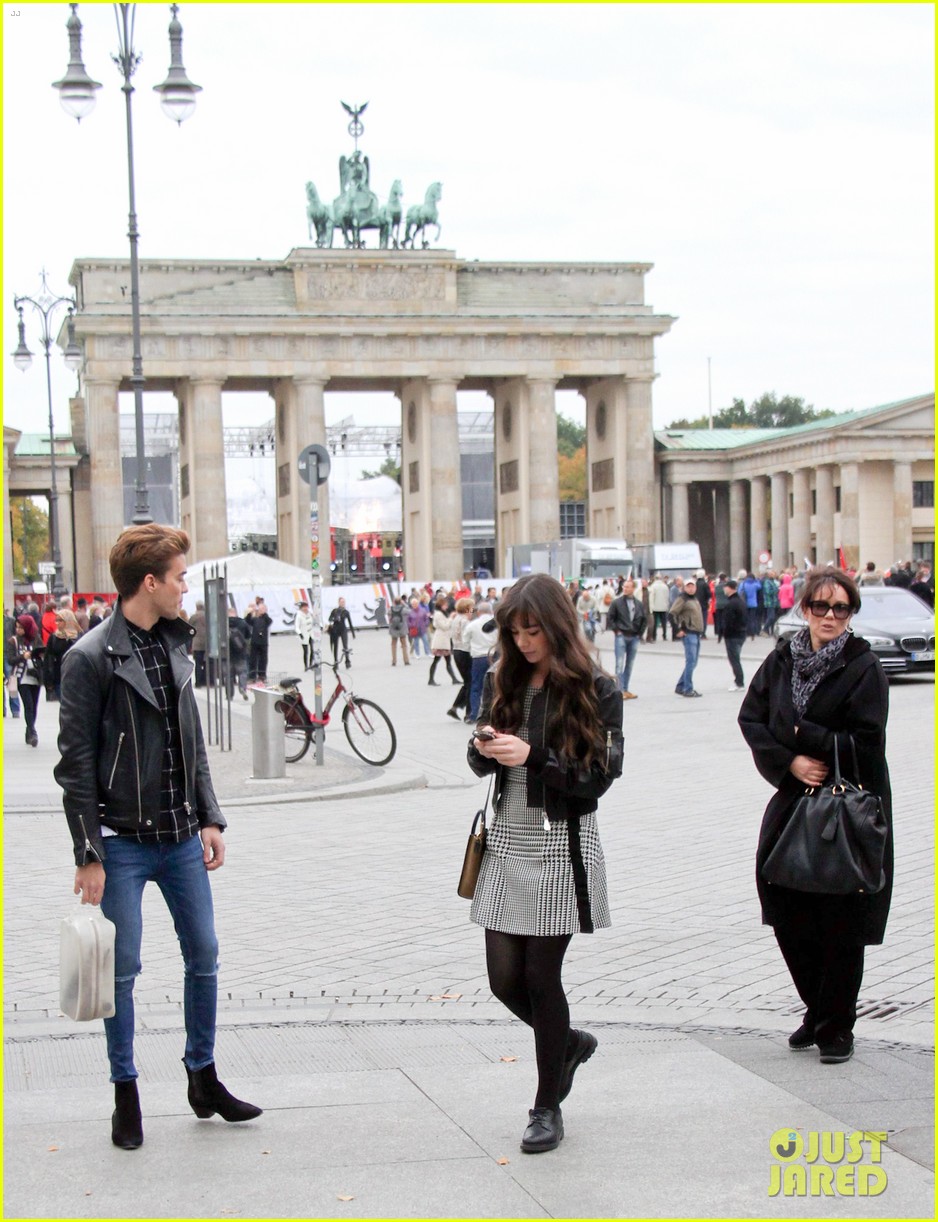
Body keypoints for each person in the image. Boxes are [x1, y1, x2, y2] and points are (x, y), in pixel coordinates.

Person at [54, 524, 262, 1150]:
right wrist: (89, 853)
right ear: (150, 582)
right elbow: (76, 768)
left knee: (204, 953)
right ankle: (126, 1093)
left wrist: (211, 817)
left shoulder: (175, 644)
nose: (184, 587)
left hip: (179, 840)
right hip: (119, 842)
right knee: (123, 970)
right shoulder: (89, 658)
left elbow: (188, 743)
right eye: (178, 577)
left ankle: (203, 1076)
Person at [467, 573, 623, 1154]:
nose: (524, 642)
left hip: (563, 843)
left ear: (555, 625)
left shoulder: (595, 686)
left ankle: (545, 1105)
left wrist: (533, 757)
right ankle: (568, 1045)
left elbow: (598, 779)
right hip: (508, 837)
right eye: (515, 631)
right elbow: (480, 763)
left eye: (532, 630)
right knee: (502, 979)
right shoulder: (500, 677)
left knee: (540, 975)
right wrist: (485, 745)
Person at [738, 567, 892, 1065]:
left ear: (851, 614)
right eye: (820, 606)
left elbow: (868, 744)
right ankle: (817, 1006)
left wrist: (808, 737)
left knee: (842, 916)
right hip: (794, 795)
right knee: (783, 901)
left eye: (840, 608)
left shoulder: (864, 667)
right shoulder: (783, 657)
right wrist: (789, 763)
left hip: (847, 804)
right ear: (804, 609)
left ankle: (837, 1026)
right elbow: (752, 717)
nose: (829, 616)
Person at [605, 578, 646, 699]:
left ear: (633, 588)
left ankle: (626, 688)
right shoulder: (617, 603)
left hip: (634, 636)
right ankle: (619, 690)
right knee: (619, 663)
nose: (625, 589)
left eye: (628, 587)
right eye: (624, 587)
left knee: (630, 664)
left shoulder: (638, 604)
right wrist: (616, 631)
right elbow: (610, 617)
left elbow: (644, 619)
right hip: (621, 635)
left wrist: (639, 634)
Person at [11, 614, 43, 745]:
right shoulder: (14, 641)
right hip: (22, 677)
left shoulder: (36, 639)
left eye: (21, 627)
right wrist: (22, 657)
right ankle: (32, 732)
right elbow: (10, 659)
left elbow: (42, 655)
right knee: (28, 705)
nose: (18, 630)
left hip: (35, 677)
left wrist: (39, 655)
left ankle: (29, 731)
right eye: (17, 627)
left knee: (34, 706)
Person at [670, 575, 704, 697]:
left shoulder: (694, 599)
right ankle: (688, 688)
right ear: (684, 588)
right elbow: (672, 613)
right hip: (688, 633)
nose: (690, 589)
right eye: (688, 586)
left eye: (692, 586)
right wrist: (677, 629)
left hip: (696, 633)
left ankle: (681, 685)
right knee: (691, 661)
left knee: (693, 662)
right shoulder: (682, 599)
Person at [463, 601, 497, 721]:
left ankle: (474, 714)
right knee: (494, 685)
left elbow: (465, 641)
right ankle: (493, 713)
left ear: (478, 612)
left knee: (476, 686)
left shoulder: (472, 625)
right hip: (493, 656)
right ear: (491, 611)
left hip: (478, 657)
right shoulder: (496, 624)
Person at [44, 608, 81, 701]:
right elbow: (48, 657)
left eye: (61, 620)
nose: (58, 623)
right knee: (64, 703)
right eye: (56, 620)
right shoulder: (54, 637)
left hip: (76, 675)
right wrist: (48, 679)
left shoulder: (79, 636)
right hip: (59, 675)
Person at [447, 596, 475, 720]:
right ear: (467, 609)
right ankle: (468, 712)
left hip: (457, 651)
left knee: (467, 681)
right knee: (470, 682)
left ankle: (455, 706)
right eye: (471, 609)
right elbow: (468, 638)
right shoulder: (465, 622)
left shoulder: (455, 619)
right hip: (465, 651)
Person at [721, 579, 747, 691]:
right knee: (736, 658)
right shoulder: (741, 601)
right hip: (741, 633)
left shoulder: (731, 604)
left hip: (733, 635)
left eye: (725, 587)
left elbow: (728, 621)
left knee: (734, 659)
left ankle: (739, 682)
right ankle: (739, 680)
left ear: (729, 588)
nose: (724, 589)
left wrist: (725, 633)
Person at [428, 596, 459, 686]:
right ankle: (431, 679)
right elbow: (444, 626)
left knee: (447, 660)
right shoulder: (438, 614)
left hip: (444, 640)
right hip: (440, 641)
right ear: (441, 605)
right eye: (445, 605)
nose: (447, 607)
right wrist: (451, 618)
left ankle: (454, 679)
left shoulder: (441, 613)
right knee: (437, 660)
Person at [245, 597, 272, 684]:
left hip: (263, 643)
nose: (260, 610)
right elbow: (247, 621)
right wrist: (250, 612)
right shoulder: (255, 619)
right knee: (253, 660)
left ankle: (262, 675)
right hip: (255, 642)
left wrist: (264, 613)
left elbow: (269, 621)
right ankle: (252, 676)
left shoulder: (266, 619)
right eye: (260, 609)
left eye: (263, 609)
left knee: (263, 660)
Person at [226, 606, 250, 700]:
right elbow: (248, 635)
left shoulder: (223, 623)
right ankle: (242, 687)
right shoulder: (242, 623)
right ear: (235, 613)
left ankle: (229, 695)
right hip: (240, 652)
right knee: (242, 672)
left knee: (229, 675)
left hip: (228, 653)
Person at [327, 597, 356, 667]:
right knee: (335, 646)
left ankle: (347, 660)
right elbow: (329, 619)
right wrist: (335, 619)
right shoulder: (334, 611)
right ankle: (336, 661)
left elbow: (350, 622)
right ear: (339, 603)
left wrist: (353, 632)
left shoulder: (346, 612)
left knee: (345, 646)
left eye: (343, 602)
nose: (343, 603)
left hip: (343, 629)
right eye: (341, 602)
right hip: (335, 630)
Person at [387, 596, 410, 666]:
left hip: (393, 628)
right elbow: (410, 611)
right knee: (404, 645)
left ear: (394, 602)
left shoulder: (390, 609)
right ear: (401, 601)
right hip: (402, 628)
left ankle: (394, 661)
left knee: (393, 645)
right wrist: (404, 604)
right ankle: (406, 661)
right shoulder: (403, 609)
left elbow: (388, 614)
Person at [189, 600, 207, 687]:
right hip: (207, 643)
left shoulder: (194, 617)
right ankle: (206, 681)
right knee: (206, 663)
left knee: (198, 664)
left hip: (197, 644)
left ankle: (198, 683)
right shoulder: (207, 616)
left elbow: (188, 626)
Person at [647, 573, 670, 642]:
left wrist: (651, 606)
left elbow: (651, 597)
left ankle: (654, 636)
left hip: (655, 607)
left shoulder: (653, 586)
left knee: (654, 622)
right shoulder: (665, 586)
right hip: (663, 606)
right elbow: (667, 597)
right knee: (664, 622)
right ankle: (664, 635)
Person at [294, 600, 316, 671]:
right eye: (304, 607)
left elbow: (314, 621)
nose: (305, 608)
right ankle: (306, 666)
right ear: (301, 608)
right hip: (304, 635)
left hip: (311, 634)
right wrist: (300, 633)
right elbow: (296, 626)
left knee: (313, 650)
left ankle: (311, 664)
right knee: (306, 651)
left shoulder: (310, 614)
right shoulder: (299, 616)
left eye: (306, 607)